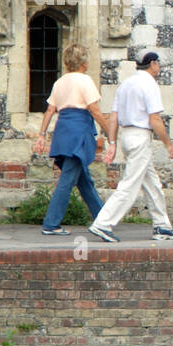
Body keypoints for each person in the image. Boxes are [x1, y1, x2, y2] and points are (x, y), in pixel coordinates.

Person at [87, 51, 173, 243]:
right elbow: (154, 119)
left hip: (127, 136)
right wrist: (168, 144)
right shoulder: (149, 84)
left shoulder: (126, 84)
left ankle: (162, 225)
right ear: (153, 64)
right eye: (159, 64)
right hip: (140, 136)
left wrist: (112, 142)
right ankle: (103, 224)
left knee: (152, 183)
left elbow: (114, 116)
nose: (159, 68)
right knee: (129, 185)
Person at [32, 44, 109, 235]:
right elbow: (94, 109)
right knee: (67, 179)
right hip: (79, 130)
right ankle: (51, 224)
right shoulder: (85, 81)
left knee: (84, 180)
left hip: (63, 130)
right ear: (83, 62)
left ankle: (103, 219)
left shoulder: (59, 82)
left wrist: (42, 135)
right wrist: (110, 130)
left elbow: (50, 110)